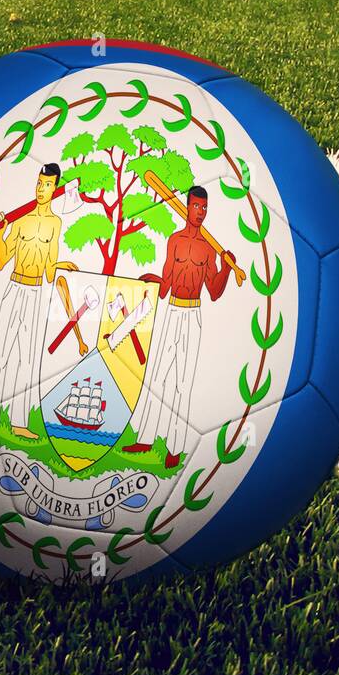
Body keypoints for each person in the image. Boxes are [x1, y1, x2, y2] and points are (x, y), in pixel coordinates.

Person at [123, 186, 236, 469]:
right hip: (172, 309)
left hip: (192, 314)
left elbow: (214, 291)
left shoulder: (209, 248)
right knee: (157, 375)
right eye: (196, 206)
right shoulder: (174, 241)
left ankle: (175, 447)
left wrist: (225, 269)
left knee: (182, 382)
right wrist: (148, 281)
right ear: (187, 207)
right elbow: (166, 285)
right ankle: (145, 438)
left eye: (205, 208)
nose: (200, 212)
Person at [0, 164, 76, 444]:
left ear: (55, 188)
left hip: (36, 293)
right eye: (39, 183)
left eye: (47, 185)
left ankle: (19, 421)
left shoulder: (55, 224)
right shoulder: (20, 221)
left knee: (29, 359)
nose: (41, 189)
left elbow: (48, 270)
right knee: (1, 355)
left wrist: (61, 266)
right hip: (15, 288)